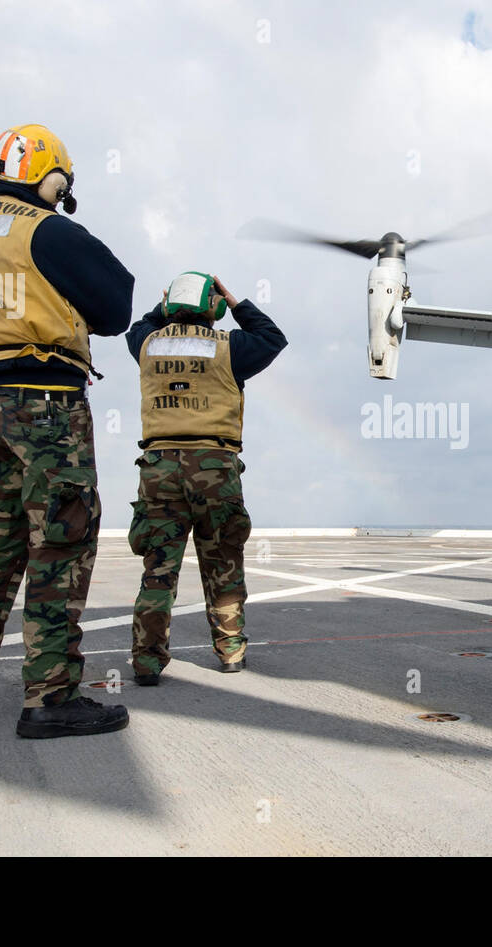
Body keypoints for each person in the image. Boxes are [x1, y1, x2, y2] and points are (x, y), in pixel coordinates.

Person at [0, 123, 133, 738]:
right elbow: (116, 307)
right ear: (47, 174)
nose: (63, 190)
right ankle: (49, 698)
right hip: (45, 407)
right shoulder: (46, 229)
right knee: (59, 547)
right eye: (63, 180)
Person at [125, 271, 286, 681]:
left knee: (158, 569)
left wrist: (162, 308)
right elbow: (272, 336)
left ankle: (146, 661)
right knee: (223, 563)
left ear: (168, 307)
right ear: (212, 307)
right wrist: (235, 302)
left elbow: (141, 323)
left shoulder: (146, 343)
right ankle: (230, 651)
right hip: (214, 464)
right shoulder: (230, 347)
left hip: (158, 467)